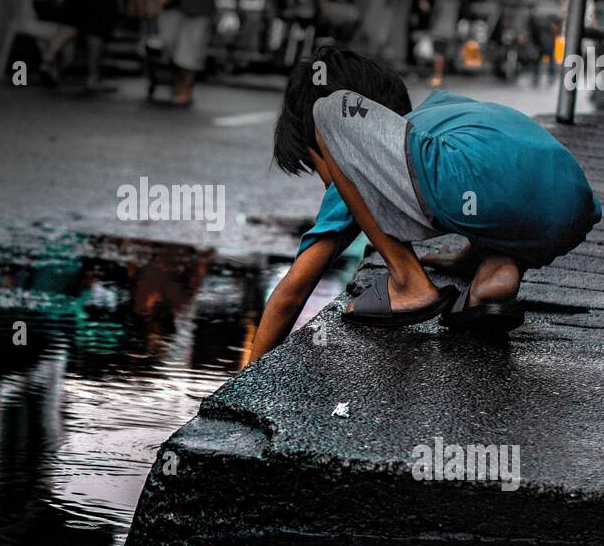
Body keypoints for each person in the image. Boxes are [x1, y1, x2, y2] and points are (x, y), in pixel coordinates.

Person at [246, 47, 601, 363]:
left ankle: (408, 282)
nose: (330, 181)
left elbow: (291, 294)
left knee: (325, 111)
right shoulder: (446, 108)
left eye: (318, 163)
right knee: (490, 193)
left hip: (479, 185)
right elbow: (498, 175)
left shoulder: (354, 151)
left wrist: (250, 378)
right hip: (573, 207)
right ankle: (497, 271)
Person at [429, 0, 460, 86]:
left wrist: (430, 28)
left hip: (438, 31)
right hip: (450, 32)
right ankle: (439, 75)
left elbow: (434, 15)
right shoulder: (456, 2)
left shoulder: (439, 0)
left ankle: (437, 76)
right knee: (443, 55)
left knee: (437, 55)